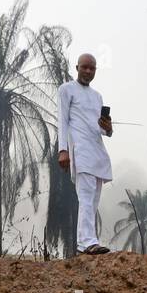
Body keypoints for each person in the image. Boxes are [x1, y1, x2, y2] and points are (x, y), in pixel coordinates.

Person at [57, 54, 114, 255]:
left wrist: (108, 128)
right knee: (86, 196)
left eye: (92, 68)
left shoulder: (97, 96)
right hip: (80, 150)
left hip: (97, 150)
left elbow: (102, 129)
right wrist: (63, 149)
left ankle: (89, 241)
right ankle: (86, 242)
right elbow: (62, 121)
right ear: (77, 67)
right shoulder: (66, 90)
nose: (88, 71)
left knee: (94, 198)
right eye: (85, 67)